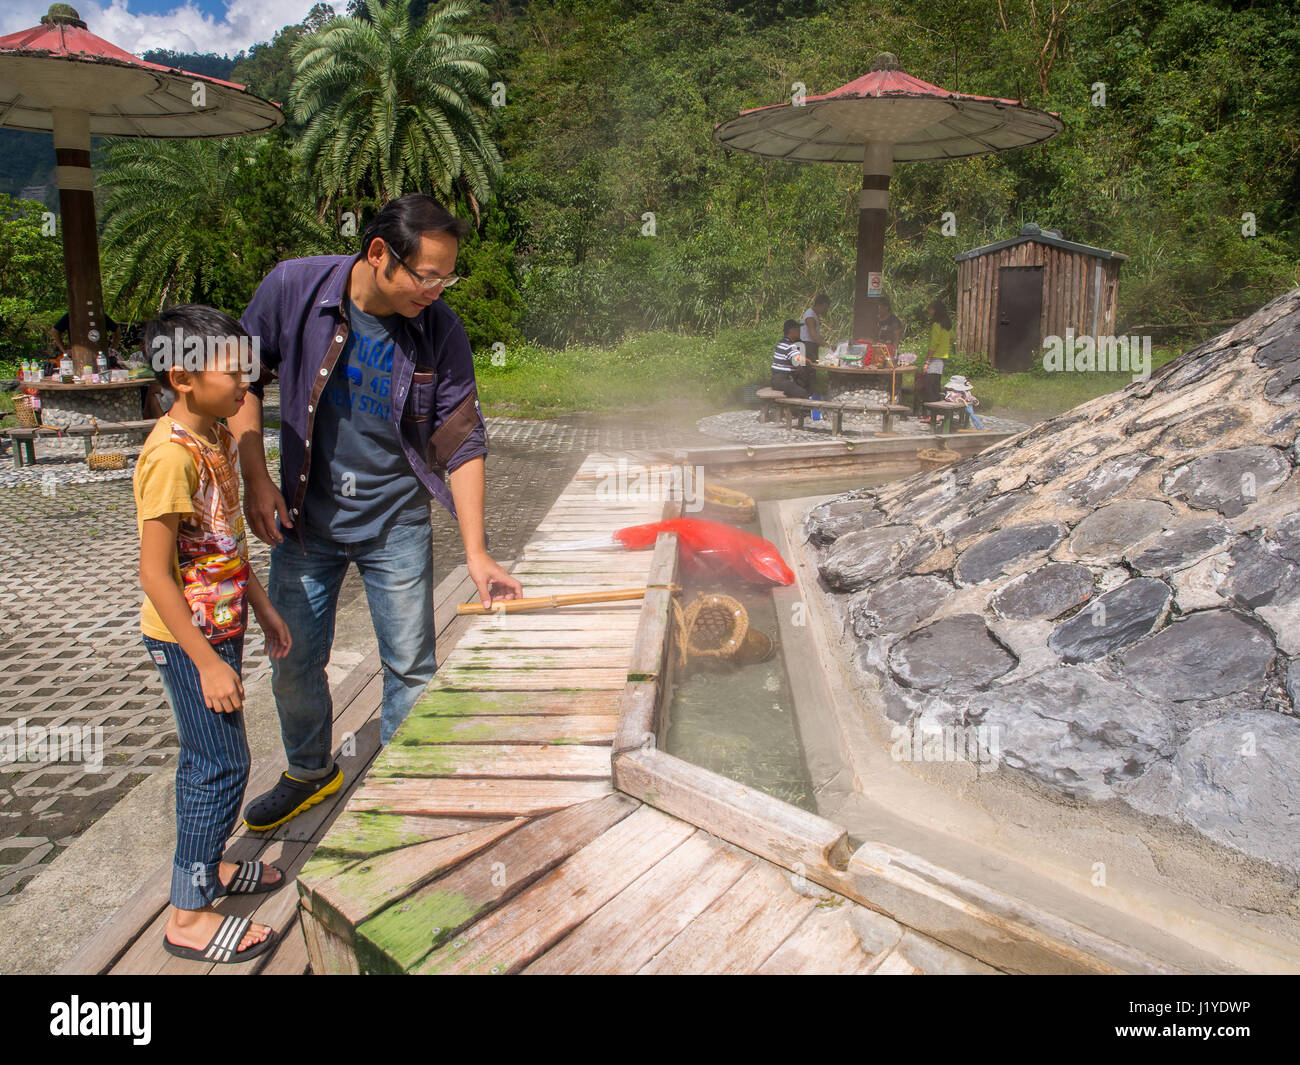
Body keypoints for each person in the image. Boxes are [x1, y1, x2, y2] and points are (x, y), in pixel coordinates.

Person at [231, 193, 523, 832]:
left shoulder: (439, 328)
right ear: (379, 254)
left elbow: (462, 438)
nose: (438, 290)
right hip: (304, 521)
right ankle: (310, 771)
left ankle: (400, 787)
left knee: (411, 665)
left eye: (449, 276)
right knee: (293, 658)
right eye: (428, 275)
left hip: (397, 522)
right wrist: (255, 477)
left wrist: (476, 552)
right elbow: (242, 379)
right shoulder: (295, 289)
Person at [134, 304, 294, 964]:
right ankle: (189, 914)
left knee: (214, 758)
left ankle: (213, 865)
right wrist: (204, 661)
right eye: (234, 372)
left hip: (221, 624)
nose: (246, 384)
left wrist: (261, 605)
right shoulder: (170, 458)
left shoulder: (221, 438)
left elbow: (222, 544)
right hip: (186, 638)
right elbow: (155, 572)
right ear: (183, 375)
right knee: (220, 764)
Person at [919, 299, 953, 423]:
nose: (929, 311)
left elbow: (933, 344)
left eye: (931, 309)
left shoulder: (936, 325)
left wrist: (927, 362)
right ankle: (936, 414)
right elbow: (951, 338)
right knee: (935, 385)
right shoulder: (947, 324)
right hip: (943, 358)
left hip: (935, 359)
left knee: (929, 386)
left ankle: (934, 415)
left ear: (935, 310)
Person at [770, 319, 811, 398]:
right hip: (782, 380)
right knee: (803, 393)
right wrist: (809, 361)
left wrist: (799, 367)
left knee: (801, 385)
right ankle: (796, 410)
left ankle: (792, 409)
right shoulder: (789, 345)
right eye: (797, 329)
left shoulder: (782, 342)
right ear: (791, 331)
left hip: (776, 379)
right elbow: (799, 359)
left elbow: (794, 361)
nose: (799, 331)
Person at [800, 293, 831, 364]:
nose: (826, 310)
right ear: (823, 305)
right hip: (807, 348)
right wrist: (828, 347)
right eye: (826, 308)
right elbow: (814, 337)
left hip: (810, 347)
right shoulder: (810, 316)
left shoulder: (813, 314)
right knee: (808, 371)